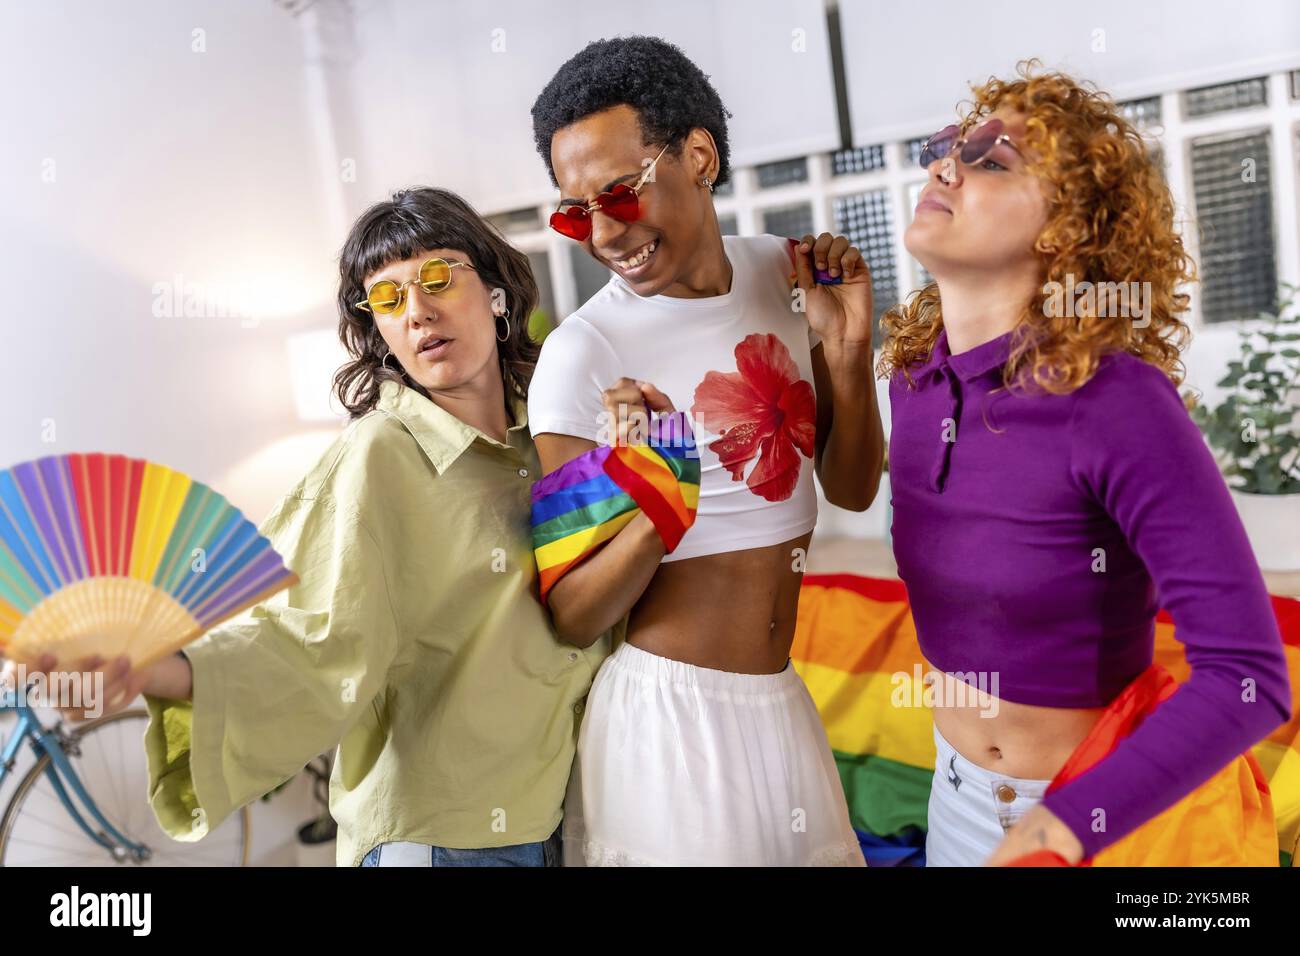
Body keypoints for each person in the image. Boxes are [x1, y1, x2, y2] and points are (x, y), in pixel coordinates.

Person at [18, 187, 608, 866]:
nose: (417, 311)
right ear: (376, 327)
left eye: (439, 278)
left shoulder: (556, 436)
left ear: (498, 293)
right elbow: (302, 638)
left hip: (563, 815)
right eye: (386, 298)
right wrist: (165, 670)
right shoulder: (377, 458)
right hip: (445, 838)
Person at [880, 63, 1291, 865]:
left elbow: (1248, 677)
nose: (943, 166)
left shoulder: (1116, 401)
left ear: (1065, 231)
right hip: (954, 803)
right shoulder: (913, 383)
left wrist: (1056, 828)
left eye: (993, 161)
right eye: (950, 148)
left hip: (1099, 821)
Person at [526, 36, 884, 865]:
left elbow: (856, 489)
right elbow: (572, 615)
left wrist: (847, 353)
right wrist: (660, 500)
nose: (607, 233)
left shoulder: (785, 278)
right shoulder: (586, 353)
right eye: (578, 212)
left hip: (781, 704)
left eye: (620, 193)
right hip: (670, 724)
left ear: (698, 156)